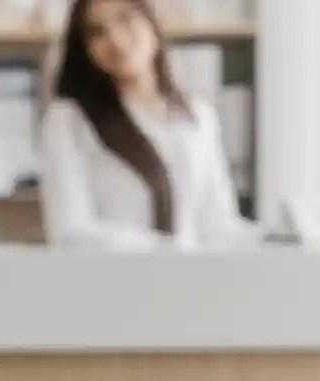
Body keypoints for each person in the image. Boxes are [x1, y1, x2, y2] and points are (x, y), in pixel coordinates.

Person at [41, 0, 258, 250]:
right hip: (114, 283)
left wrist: (274, 238)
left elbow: (218, 226)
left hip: (191, 283)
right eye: (97, 32)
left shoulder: (197, 118)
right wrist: (167, 249)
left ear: (152, 19)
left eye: (125, 18)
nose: (116, 39)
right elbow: (71, 233)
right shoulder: (69, 120)